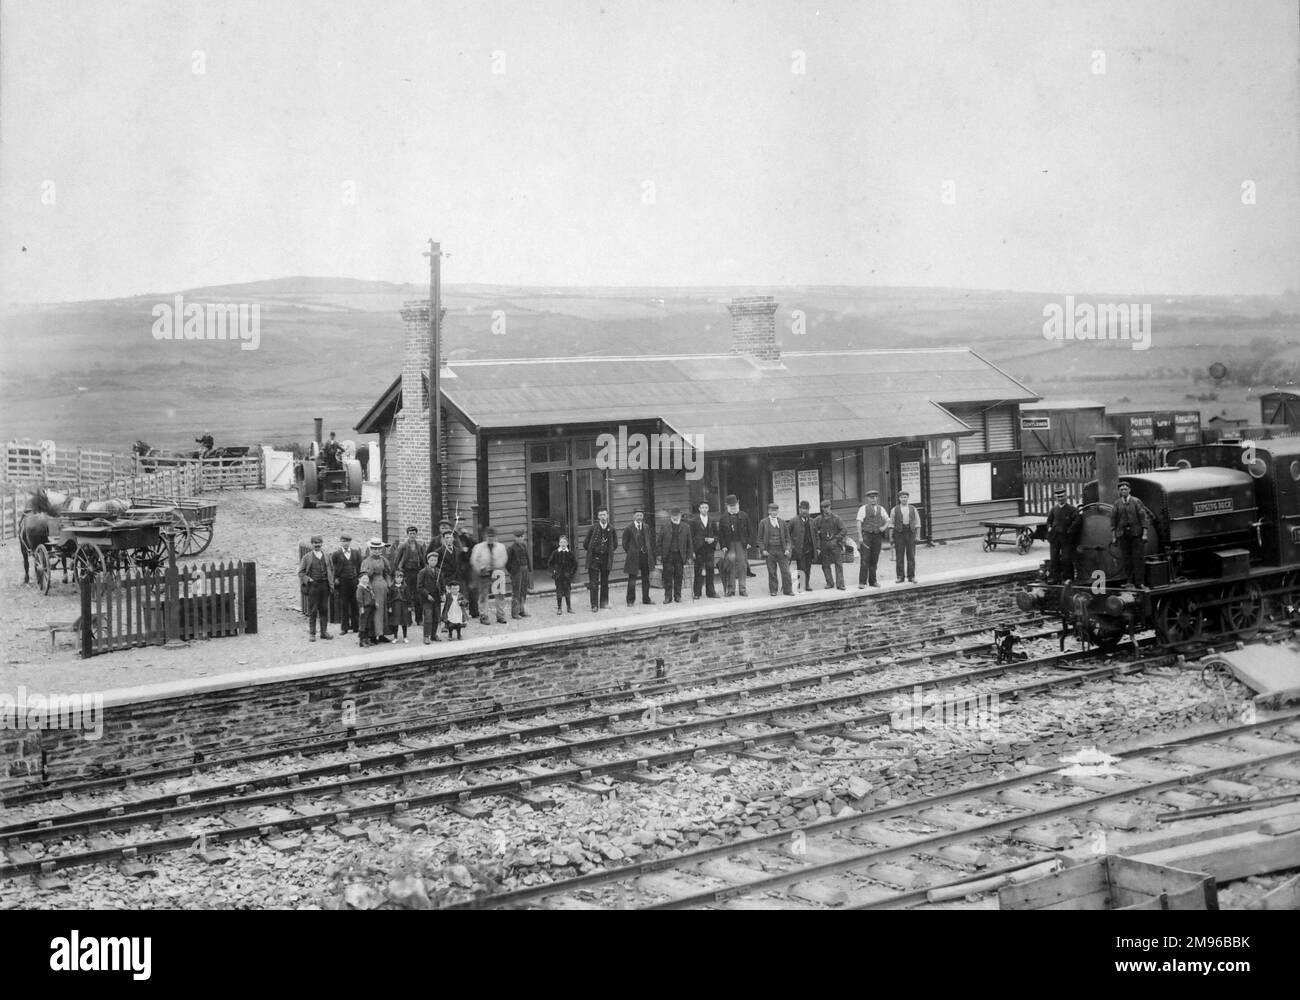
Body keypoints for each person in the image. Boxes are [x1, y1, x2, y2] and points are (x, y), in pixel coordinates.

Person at [1110, 481, 1151, 588]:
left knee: (1138, 558)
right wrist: (1114, 536)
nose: (1123, 491)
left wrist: (1145, 534)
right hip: (1122, 535)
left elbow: (1143, 518)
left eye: (1125, 489)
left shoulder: (1136, 502)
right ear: (1119, 491)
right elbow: (1113, 521)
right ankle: (1129, 581)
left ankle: (1140, 582)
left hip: (1136, 534)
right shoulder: (1117, 503)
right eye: (1121, 489)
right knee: (1126, 559)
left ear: (1129, 490)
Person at [297, 534, 335, 642]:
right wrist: (308, 579)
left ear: (322, 544)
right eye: (315, 543)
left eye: (319, 543)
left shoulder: (327, 556)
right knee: (313, 611)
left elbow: (331, 570)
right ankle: (312, 634)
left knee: (324, 610)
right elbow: (300, 572)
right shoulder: (307, 557)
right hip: (313, 586)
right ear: (312, 544)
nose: (317, 545)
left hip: (325, 586)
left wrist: (331, 583)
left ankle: (324, 632)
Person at [471, 526, 509, 624]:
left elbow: (504, 559)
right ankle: (483, 615)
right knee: (483, 596)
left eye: (492, 536)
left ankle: (500, 615)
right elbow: (474, 560)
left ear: (496, 537)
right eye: (488, 536)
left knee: (500, 595)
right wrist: (480, 569)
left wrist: (497, 567)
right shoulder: (478, 547)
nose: (490, 538)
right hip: (484, 574)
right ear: (485, 537)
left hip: (497, 573)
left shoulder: (501, 547)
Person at [717, 493, 753, 597]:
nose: (733, 508)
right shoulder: (723, 518)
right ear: (727, 506)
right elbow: (721, 534)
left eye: (735, 505)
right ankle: (731, 589)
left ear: (738, 504)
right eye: (731, 506)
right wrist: (723, 545)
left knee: (742, 566)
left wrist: (749, 542)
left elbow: (750, 530)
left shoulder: (744, 515)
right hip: (729, 545)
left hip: (741, 545)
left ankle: (742, 589)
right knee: (730, 566)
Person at [757, 502, 793, 596]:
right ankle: (773, 590)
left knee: (786, 571)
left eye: (775, 510)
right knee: (772, 571)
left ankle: (788, 590)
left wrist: (787, 549)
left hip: (782, 550)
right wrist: (763, 549)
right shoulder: (763, 522)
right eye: (772, 511)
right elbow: (759, 539)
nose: (774, 512)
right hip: (770, 551)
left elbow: (788, 538)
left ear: (778, 511)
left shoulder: (782, 522)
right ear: (768, 511)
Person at [583, 506, 617, 611]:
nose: (603, 516)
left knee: (605, 582)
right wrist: (594, 552)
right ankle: (594, 605)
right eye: (601, 515)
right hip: (594, 559)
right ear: (598, 516)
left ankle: (604, 603)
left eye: (604, 514)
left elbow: (614, 545)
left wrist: (607, 552)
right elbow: (585, 544)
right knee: (593, 583)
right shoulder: (593, 528)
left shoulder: (611, 529)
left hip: (606, 559)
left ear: (607, 516)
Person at [393, 527, 427, 625]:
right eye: (410, 533)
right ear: (407, 534)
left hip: (417, 572)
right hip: (406, 572)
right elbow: (396, 560)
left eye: (414, 534)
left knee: (418, 596)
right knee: (406, 595)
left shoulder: (419, 546)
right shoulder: (403, 546)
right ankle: (407, 620)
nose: (412, 535)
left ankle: (419, 619)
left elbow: (423, 560)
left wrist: (424, 571)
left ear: (416, 535)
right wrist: (395, 572)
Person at [360, 538, 392, 641]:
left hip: (383, 587)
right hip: (373, 587)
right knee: (375, 610)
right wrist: (369, 589)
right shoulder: (366, 561)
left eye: (379, 549)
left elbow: (387, 573)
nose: (377, 551)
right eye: (374, 549)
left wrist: (388, 584)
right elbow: (364, 577)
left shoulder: (383, 560)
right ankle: (373, 635)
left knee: (383, 610)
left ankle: (382, 634)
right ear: (370, 549)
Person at [657, 508, 691, 604]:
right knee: (667, 576)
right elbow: (659, 542)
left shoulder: (686, 527)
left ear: (680, 515)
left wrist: (689, 556)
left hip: (680, 555)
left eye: (677, 515)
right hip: (668, 555)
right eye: (674, 515)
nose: (675, 517)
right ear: (670, 516)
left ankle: (678, 596)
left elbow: (689, 543)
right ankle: (668, 597)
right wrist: (659, 555)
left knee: (679, 576)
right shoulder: (665, 526)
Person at [622, 507, 656, 606]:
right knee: (632, 579)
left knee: (646, 578)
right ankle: (630, 600)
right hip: (634, 557)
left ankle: (646, 599)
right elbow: (625, 544)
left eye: (641, 515)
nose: (639, 517)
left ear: (643, 516)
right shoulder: (629, 528)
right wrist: (632, 552)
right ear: (633, 516)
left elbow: (650, 540)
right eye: (637, 515)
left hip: (645, 556)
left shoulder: (646, 527)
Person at [856, 489, 888, 588]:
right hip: (866, 536)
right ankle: (862, 582)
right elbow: (858, 523)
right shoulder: (863, 508)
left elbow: (888, 520)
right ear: (867, 499)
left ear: (877, 498)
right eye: (871, 497)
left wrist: (884, 527)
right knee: (865, 559)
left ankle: (873, 581)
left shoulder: (881, 509)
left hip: (877, 536)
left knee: (874, 559)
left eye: (875, 497)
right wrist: (860, 536)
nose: (873, 499)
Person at [1046, 487, 1078, 584]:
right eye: (1058, 497)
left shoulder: (1072, 509)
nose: (1060, 499)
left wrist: (1069, 531)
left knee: (1066, 558)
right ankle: (1054, 578)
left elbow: (1077, 521)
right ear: (1056, 498)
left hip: (1066, 538)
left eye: (1062, 496)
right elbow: (1049, 521)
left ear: (1066, 497)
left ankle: (1068, 578)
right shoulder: (1053, 509)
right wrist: (1049, 528)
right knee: (1054, 558)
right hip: (1055, 538)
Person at [331, 533, 362, 632]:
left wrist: (359, 579)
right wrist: (335, 578)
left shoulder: (356, 553)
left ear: (350, 542)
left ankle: (355, 626)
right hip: (343, 582)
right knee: (344, 605)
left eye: (347, 541)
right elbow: (333, 568)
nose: (345, 543)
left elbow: (360, 566)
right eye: (343, 541)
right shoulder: (336, 554)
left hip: (354, 581)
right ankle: (344, 628)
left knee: (355, 604)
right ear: (340, 542)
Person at [690, 500, 720, 599]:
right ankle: (697, 593)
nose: (704, 509)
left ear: (708, 509)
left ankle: (710, 592)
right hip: (699, 549)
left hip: (709, 549)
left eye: (706, 507)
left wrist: (713, 540)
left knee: (710, 570)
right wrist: (693, 550)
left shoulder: (712, 520)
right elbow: (691, 537)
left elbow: (716, 535)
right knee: (698, 571)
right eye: (702, 507)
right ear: (699, 509)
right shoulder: (694, 521)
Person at [890, 491, 920, 584]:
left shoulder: (913, 509)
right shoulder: (894, 509)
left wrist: (917, 536)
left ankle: (911, 576)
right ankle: (900, 576)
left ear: (908, 498)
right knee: (899, 556)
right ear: (899, 498)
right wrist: (891, 536)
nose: (904, 499)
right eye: (902, 497)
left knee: (911, 555)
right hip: (899, 533)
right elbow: (891, 523)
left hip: (910, 533)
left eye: (905, 497)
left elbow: (918, 523)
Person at [788, 500, 819, 592]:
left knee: (808, 567)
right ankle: (801, 585)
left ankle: (807, 584)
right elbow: (787, 535)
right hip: (799, 549)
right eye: (802, 509)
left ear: (808, 510)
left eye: (806, 509)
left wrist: (817, 547)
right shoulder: (793, 521)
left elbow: (816, 535)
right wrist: (791, 546)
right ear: (799, 509)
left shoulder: (812, 521)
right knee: (801, 567)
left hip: (809, 548)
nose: (804, 511)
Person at [816, 503, 847, 590]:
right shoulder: (818, 519)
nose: (826, 509)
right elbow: (813, 529)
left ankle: (840, 583)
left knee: (838, 564)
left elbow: (844, 530)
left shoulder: (837, 518)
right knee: (825, 564)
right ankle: (829, 583)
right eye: (824, 508)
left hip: (835, 544)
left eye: (828, 507)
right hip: (824, 544)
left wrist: (837, 538)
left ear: (830, 507)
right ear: (822, 509)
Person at [415, 552, 443, 644]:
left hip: (437, 598)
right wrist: (427, 594)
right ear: (428, 561)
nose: (434, 562)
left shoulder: (439, 571)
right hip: (427, 599)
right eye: (432, 560)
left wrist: (442, 594)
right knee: (428, 618)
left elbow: (442, 585)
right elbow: (419, 587)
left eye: (435, 560)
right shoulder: (423, 572)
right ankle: (426, 636)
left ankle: (433, 634)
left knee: (436, 617)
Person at [547, 534, 579, 614]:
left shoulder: (570, 553)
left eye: (565, 542)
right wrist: (554, 571)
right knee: (559, 592)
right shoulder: (555, 553)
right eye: (561, 542)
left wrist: (571, 573)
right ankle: (559, 608)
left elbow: (575, 564)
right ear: (559, 543)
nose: (563, 544)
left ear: (567, 543)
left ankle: (569, 608)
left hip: (567, 576)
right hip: (558, 576)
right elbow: (549, 563)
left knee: (568, 591)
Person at [506, 532, 532, 619]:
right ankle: (515, 613)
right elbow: (507, 562)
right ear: (515, 538)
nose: (520, 538)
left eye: (522, 536)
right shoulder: (511, 548)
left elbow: (527, 558)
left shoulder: (524, 546)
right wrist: (512, 572)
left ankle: (522, 610)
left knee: (523, 591)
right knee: (516, 592)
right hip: (517, 571)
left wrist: (528, 568)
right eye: (518, 537)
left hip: (525, 570)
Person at [390, 568, 412, 643]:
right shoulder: (392, 588)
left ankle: (405, 636)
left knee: (404, 622)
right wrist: (389, 607)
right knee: (395, 622)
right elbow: (389, 598)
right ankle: (395, 637)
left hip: (404, 606)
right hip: (395, 606)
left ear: (403, 578)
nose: (399, 579)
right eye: (397, 577)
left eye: (400, 577)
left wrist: (409, 606)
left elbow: (409, 597)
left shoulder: (405, 587)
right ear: (394, 578)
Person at [356, 573, 377, 647]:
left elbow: (373, 596)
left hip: (371, 607)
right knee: (363, 624)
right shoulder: (360, 588)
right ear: (359, 580)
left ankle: (366, 639)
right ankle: (361, 641)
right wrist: (361, 608)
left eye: (367, 579)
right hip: (364, 608)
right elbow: (359, 599)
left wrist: (375, 603)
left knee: (368, 624)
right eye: (364, 579)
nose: (365, 580)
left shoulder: (368, 587)